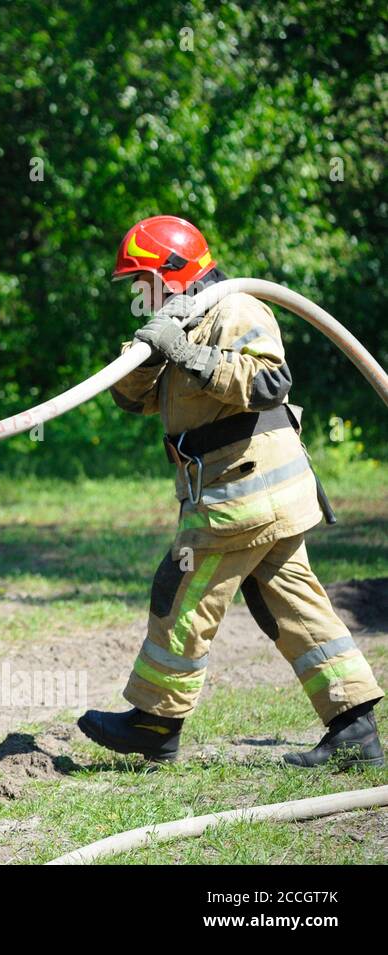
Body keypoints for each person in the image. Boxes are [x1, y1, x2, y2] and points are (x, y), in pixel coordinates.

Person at [79, 215, 383, 768]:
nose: (138, 295)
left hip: (243, 491)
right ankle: (355, 728)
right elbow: (131, 401)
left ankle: (155, 721)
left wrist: (191, 353)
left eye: (142, 282)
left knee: (181, 594)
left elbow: (270, 384)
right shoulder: (182, 318)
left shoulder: (235, 308)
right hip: (247, 493)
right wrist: (149, 350)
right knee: (292, 605)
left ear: (171, 273)